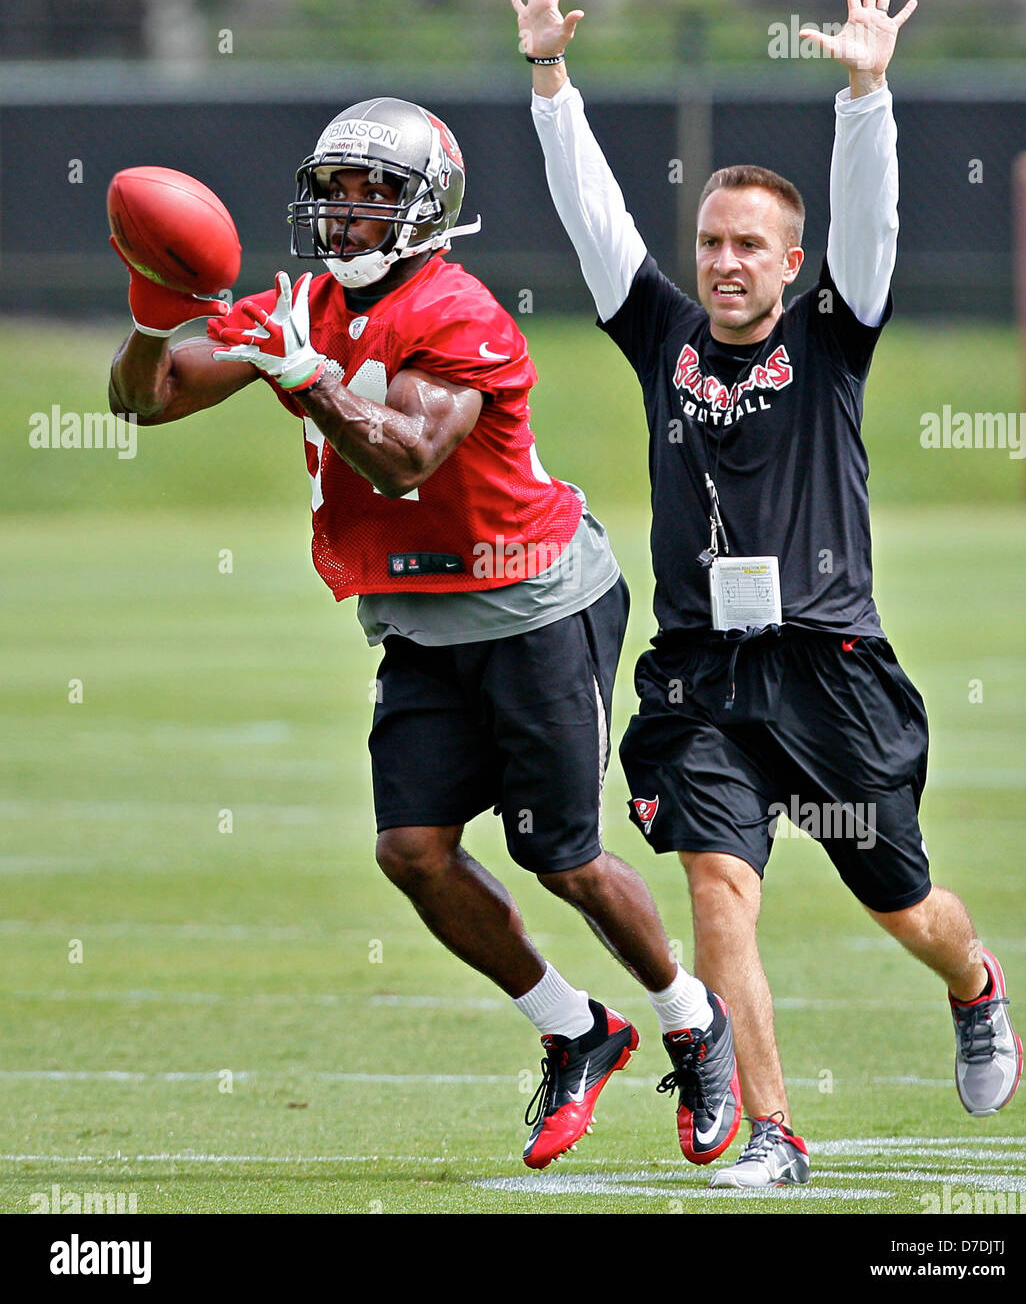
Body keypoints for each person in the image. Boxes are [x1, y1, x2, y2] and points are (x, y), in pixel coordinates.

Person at [106, 96, 742, 1169]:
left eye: (375, 195)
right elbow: (146, 399)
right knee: (411, 850)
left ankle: (692, 1017)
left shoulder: (461, 312)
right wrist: (151, 304)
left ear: (427, 209)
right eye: (336, 194)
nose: (349, 217)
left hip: (534, 599)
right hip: (418, 615)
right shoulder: (302, 299)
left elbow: (401, 457)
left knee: (564, 859)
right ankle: (576, 1028)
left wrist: (299, 372)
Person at [513, 0, 1023, 1187]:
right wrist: (547, 75)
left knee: (902, 905)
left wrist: (863, 98)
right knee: (715, 890)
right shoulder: (660, 337)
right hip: (701, 680)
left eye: (749, 245)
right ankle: (776, 1133)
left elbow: (873, 222)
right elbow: (595, 220)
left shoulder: (833, 337)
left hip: (828, 672)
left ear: (790, 263)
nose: (725, 261)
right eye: (711, 242)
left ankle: (974, 983)